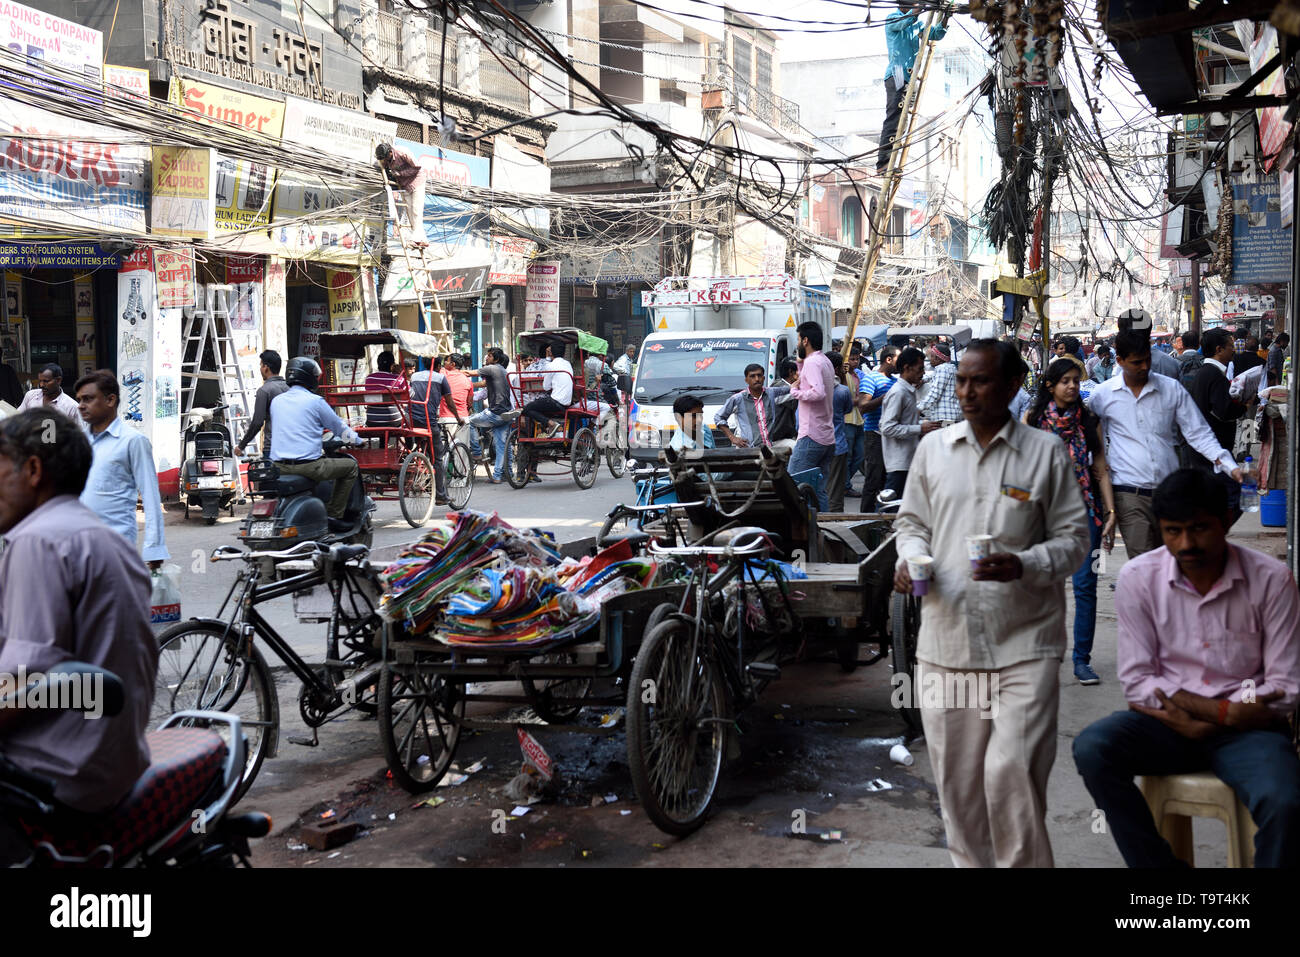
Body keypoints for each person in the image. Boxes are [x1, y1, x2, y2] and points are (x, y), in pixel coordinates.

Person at [893, 339, 1089, 867]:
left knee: (1011, 778)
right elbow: (910, 525)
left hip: (1025, 643)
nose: (966, 391)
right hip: (947, 643)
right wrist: (909, 560)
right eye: (960, 380)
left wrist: (1024, 563)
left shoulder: (1044, 453)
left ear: (1009, 387)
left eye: (979, 381)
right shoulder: (934, 450)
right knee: (959, 794)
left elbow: (1075, 541)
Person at [1073, 469, 1300, 868]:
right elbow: (1138, 680)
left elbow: (1285, 684)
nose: (1187, 544)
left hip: (1250, 731)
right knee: (1094, 747)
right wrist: (1220, 711)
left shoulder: (1273, 580)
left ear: (1226, 521)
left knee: (1286, 802)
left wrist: (1218, 717)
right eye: (1173, 531)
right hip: (1170, 724)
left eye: (1199, 529)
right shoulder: (1139, 578)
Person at [0, 409, 158, 820]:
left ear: (33, 469)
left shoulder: (37, 541)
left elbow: (23, 683)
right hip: (111, 761)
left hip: (58, 769)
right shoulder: (106, 538)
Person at [1086, 328, 1242, 559]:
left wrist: (1230, 466)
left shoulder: (1171, 389)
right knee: (1143, 563)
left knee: (1172, 561)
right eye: (1137, 362)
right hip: (1128, 492)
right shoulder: (1103, 395)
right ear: (1120, 361)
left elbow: (1198, 434)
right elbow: (1090, 440)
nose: (1145, 367)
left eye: (1147, 360)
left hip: (1169, 492)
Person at [1025, 358, 1118, 685]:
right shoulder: (1033, 420)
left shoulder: (1089, 421)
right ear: (1050, 386)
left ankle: (1082, 661)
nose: (1072, 386)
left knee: (1087, 588)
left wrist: (1110, 513)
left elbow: (1100, 468)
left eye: (1076, 380)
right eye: (1065, 380)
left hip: (1086, 516)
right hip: (1044, 519)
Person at [74, 371, 168, 568]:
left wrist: (154, 549)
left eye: (88, 399)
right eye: (79, 400)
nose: (81, 405)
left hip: (116, 550)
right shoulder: (79, 441)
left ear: (110, 400)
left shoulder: (133, 441)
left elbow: (151, 498)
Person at [268, 357, 362, 526]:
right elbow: (339, 428)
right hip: (309, 467)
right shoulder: (315, 402)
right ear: (309, 378)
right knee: (351, 467)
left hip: (278, 467)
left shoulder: (277, 402)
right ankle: (334, 514)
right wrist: (357, 440)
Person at [1184, 328, 1247, 523]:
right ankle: (1213, 529)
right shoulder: (1213, 375)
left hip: (1208, 448)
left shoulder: (1207, 373)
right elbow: (1223, 410)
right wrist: (1244, 405)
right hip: (1213, 448)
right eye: (1230, 346)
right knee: (1236, 493)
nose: (1233, 350)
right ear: (1219, 349)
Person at [878, 1, 947, 173]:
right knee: (895, 116)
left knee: (903, 120)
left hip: (910, 76)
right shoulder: (893, 18)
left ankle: (893, 160)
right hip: (898, 73)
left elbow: (935, 34)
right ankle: (883, 162)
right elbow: (904, 23)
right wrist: (918, 10)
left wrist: (946, 16)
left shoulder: (916, 23)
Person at [878, 346, 939, 507]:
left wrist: (923, 426)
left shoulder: (908, 391)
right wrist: (919, 428)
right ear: (906, 368)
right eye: (920, 369)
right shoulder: (898, 393)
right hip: (899, 463)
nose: (923, 373)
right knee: (891, 508)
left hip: (909, 459)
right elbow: (887, 427)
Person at [787, 321, 837, 510]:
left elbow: (817, 392)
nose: (797, 343)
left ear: (805, 340)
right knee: (817, 490)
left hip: (811, 436)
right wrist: (800, 364)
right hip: (826, 436)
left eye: (799, 339)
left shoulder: (812, 362)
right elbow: (808, 381)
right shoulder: (824, 361)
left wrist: (794, 393)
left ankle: (808, 531)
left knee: (794, 484)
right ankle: (823, 528)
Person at [410, 357, 461, 505]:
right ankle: (440, 495)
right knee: (438, 458)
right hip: (428, 422)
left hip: (412, 422)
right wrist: (458, 417)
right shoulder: (440, 378)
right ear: (438, 366)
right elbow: (449, 401)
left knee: (421, 448)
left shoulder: (414, 376)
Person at [858, 345, 898, 511]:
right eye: (898, 359)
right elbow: (863, 406)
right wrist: (884, 397)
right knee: (873, 480)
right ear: (888, 359)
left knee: (886, 481)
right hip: (874, 434)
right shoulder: (871, 379)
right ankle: (864, 519)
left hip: (891, 436)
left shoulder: (895, 381)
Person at [465, 347, 513, 484]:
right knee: (502, 446)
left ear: (496, 359)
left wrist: (454, 374)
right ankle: (498, 476)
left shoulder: (492, 368)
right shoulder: (502, 371)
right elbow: (483, 387)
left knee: (470, 422)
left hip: (495, 412)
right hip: (506, 413)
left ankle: (476, 452)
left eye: (489, 356)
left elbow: (469, 373)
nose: (487, 358)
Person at [714, 363, 788, 449]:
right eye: (752, 376)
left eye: (759, 375)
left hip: (769, 448)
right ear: (746, 380)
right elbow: (718, 417)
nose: (757, 379)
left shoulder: (772, 393)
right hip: (747, 449)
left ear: (763, 378)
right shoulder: (738, 399)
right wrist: (733, 438)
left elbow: (794, 391)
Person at [235, 350, 289, 458]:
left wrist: (241, 446)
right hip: (291, 448)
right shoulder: (290, 388)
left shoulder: (264, 391)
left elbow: (257, 423)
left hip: (273, 449)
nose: (260, 369)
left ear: (266, 368)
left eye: (261, 365)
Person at [375, 142, 428, 245]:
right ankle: (422, 239)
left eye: (385, 158)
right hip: (405, 185)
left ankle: (416, 239)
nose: (384, 160)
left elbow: (417, 167)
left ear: (390, 152)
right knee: (410, 213)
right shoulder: (386, 158)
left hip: (417, 181)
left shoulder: (403, 152)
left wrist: (400, 174)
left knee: (416, 210)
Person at [827, 352, 855, 512]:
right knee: (836, 488)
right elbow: (848, 408)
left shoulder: (812, 388)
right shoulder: (842, 391)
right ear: (837, 369)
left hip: (816, 443)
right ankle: (835, 518)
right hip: (837, 444)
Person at [18, 363, 82, 424]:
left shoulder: (71, 407)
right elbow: (18, 418)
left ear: (58, 380)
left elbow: (81, 433)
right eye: (40, 381)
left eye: (46, 381)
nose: (41, 385)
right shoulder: (31, 396)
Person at [918, 341, 959, 424]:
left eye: (932, 357)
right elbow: (932, 375)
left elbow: (935, 393)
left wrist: (918, 408)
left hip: (945, 416)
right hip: (950, 415)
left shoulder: (942, 369)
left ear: (937, 358)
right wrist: (922, 380)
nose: (930, 360)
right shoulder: (950, 368)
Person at [439, 354, 474, 423]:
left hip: (446, 418)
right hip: (464, 418)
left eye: (447, 361)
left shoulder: (443, 374)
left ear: (453, 364)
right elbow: (470, 402)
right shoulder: (468, 381)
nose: (445, 362)